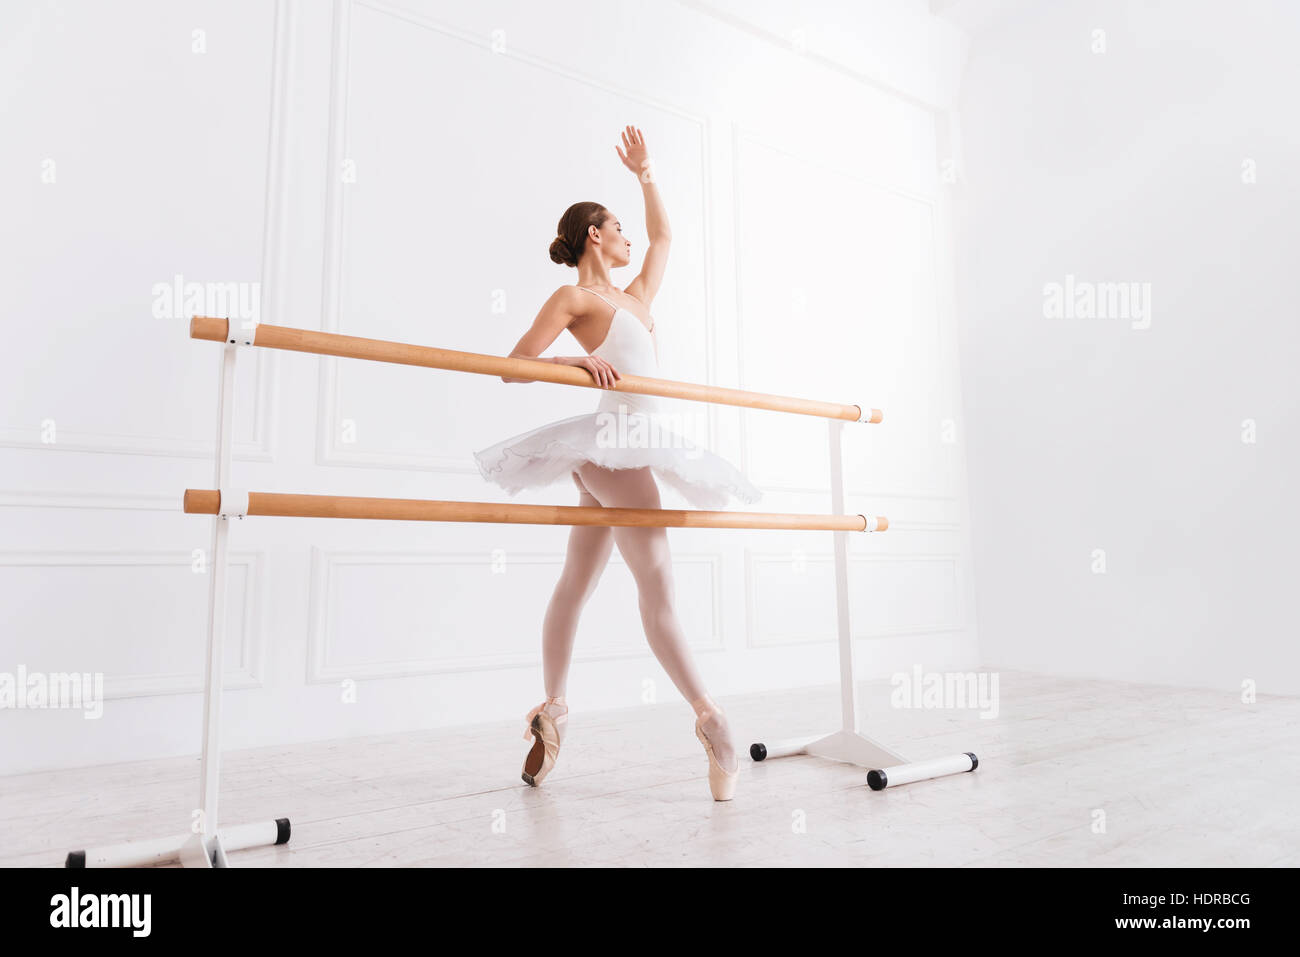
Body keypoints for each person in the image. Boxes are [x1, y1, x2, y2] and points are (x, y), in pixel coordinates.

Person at [474, 127, 760, 801]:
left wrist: (646, 173)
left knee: (576, 581)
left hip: (628, 446)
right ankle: (710, 718)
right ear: (595, 237)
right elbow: (513, 369)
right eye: (618, 228)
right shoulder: (576, 300)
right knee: (657, 586)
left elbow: (665, 240)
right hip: (610, 446)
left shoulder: (636, 298)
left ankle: (554, 708)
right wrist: (570, 359)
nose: (630, 237)